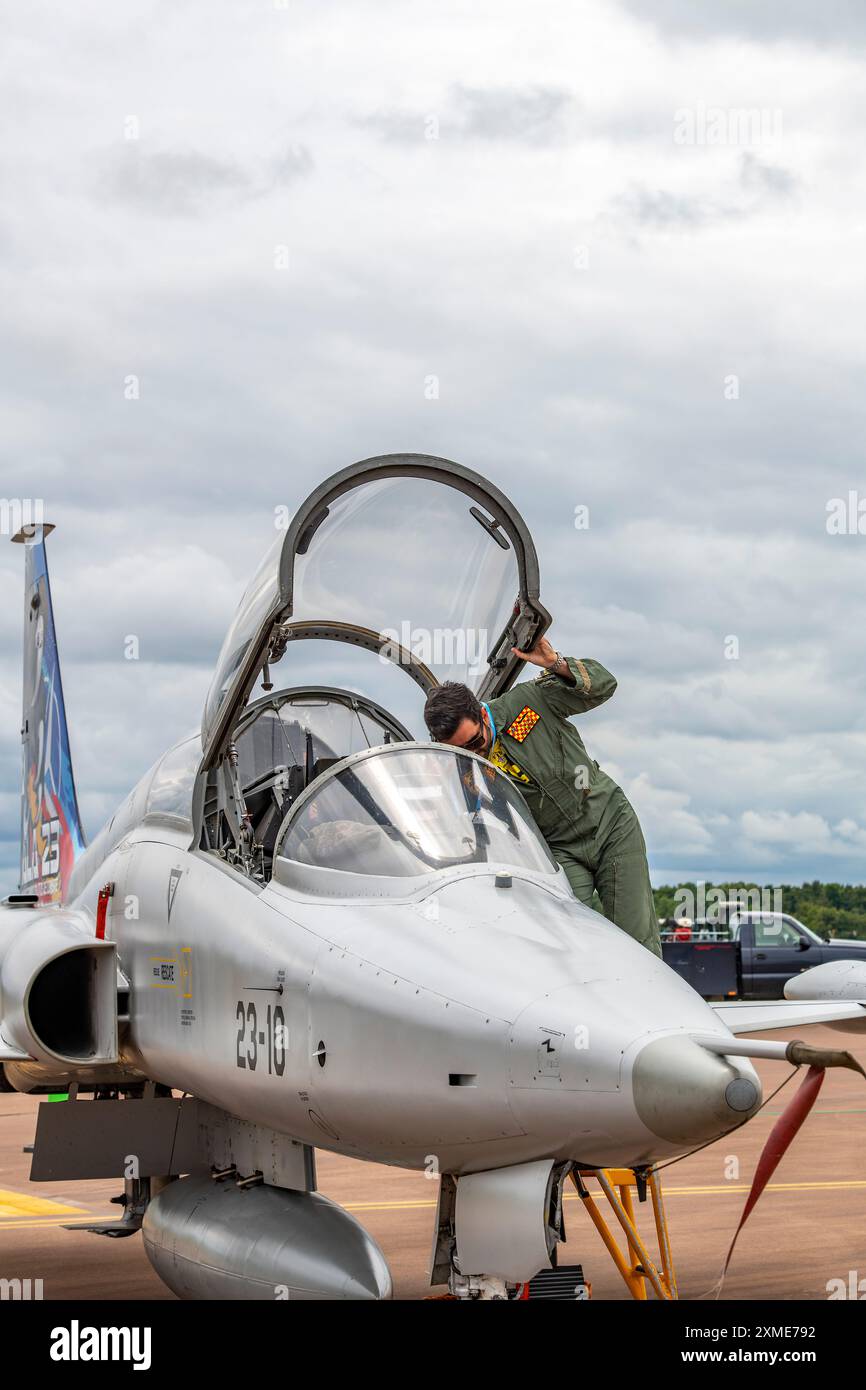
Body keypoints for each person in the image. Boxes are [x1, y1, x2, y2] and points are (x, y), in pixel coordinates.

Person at [423, 635, 661, 957]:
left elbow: (605, 685)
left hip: (609, 824)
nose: (471, 752)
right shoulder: (464, 768)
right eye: (459, 750)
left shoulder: (529, 702)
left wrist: (557, 664)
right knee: (567, 942)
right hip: (560, 850)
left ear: (480, 713)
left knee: (637, 941)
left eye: (474, 741)